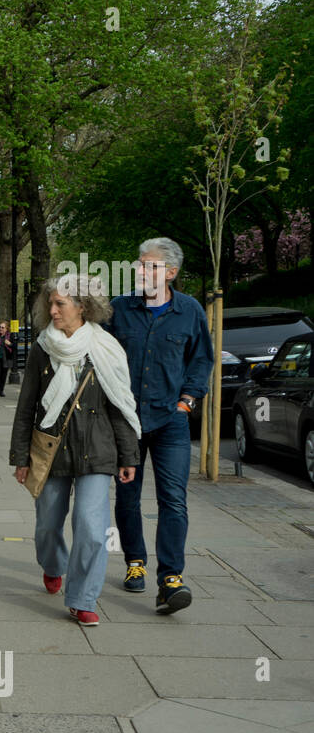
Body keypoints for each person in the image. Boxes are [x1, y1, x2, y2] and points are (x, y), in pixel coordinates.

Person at [11, 274, 141, 626]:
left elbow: (120, 404)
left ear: (82, 307)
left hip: (98, 451)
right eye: (49, 304)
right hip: (52, 450)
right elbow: (27, 407)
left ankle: (82, 598)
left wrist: (129, 456)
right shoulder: (42, 348)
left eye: (60, 304)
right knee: (48, 525)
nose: (51, 310)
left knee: (90, 525)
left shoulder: (106, 347)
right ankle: (53, 565)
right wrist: (20, 458)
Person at [105, 237, 214, 614]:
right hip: (127, 422)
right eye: (139, 263)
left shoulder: (190, 311)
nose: (140, 270)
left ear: (170, 272)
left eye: (149, 265)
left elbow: (201, 359)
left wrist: (187, 402)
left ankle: (171, 579)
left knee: (173, 499)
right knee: (127, 497)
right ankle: (135, 562)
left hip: (171, 421)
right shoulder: (119, 309)